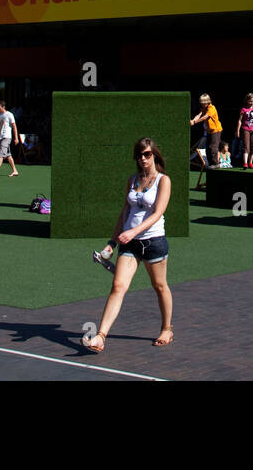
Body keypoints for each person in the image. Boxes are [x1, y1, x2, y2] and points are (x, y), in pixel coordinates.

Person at [82, 137, 174, 353]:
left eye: (147, 154)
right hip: (129, 244)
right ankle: (101, 336)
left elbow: (159, 212)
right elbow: (125, 212)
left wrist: (133, 231)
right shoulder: (133, 180)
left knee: (159, 286)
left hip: (154, 242)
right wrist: (111, 243)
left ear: (155, 155)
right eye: (140, 155)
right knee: (118, 287)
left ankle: (167, 328)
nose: (143, 158)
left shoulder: (163, 181)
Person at [189, 93, 223, 167]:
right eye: (201, 103)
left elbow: (205, 117)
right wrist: (193, 120)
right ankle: (211, 164)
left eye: (203, 103)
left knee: (213, 147)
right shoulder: (204, 108)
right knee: (208, 148)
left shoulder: (212, 108)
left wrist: (194, 122)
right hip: (209, 131)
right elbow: (199, 115)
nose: (202, 104)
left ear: (208, 102)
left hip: (216, 131)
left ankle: (215, 163)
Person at [0, 101, 19, 177]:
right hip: (2, 136)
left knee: (1, 154)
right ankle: (15, 171)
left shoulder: (9, 114)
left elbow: (14, 126)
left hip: (7, 137)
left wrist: (16, 138)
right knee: (8, 155)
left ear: (3, 107)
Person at [236, 93, 253, 170]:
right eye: (250, 101)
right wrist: (237, 130)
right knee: (246, 146)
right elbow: (240, 121)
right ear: (246, 101)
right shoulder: (244, 109)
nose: (251, 103)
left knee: (252, 147)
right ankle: (245, 163)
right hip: (245, 129)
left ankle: (251, 162)